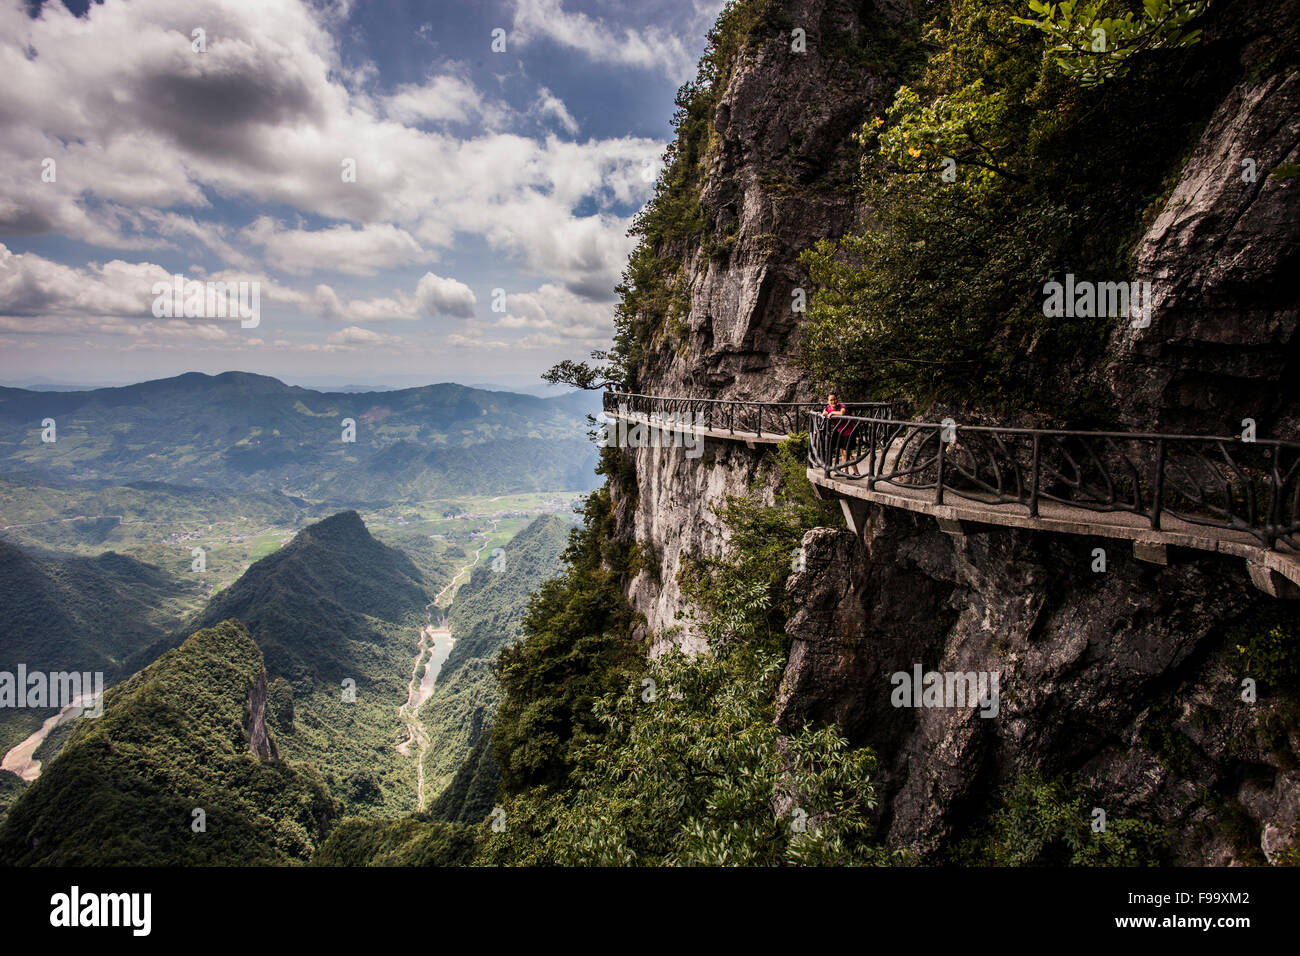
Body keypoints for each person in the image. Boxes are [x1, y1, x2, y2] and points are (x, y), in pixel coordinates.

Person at [824, 392, 860, 475]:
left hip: (849, 431)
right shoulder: (828, 408)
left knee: (846, 452)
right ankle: (845, 471)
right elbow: (824, 413)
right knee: (842, 451)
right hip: (841, 431)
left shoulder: (841, 406)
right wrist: (825, 414)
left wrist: (832, 413)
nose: (833, 401)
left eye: (834, 399)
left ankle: (856, 473)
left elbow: (842, 413)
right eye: (831, 400)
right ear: (828, 401)